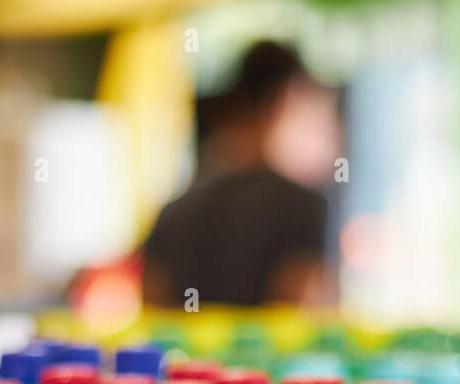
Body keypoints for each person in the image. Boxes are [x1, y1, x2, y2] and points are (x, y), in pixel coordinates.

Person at [142, 41, 337, 308]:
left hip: (185, 352)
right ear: (283, 102)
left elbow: (152, 309)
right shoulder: (304, 207)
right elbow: (300, 306)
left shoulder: (174, 212)